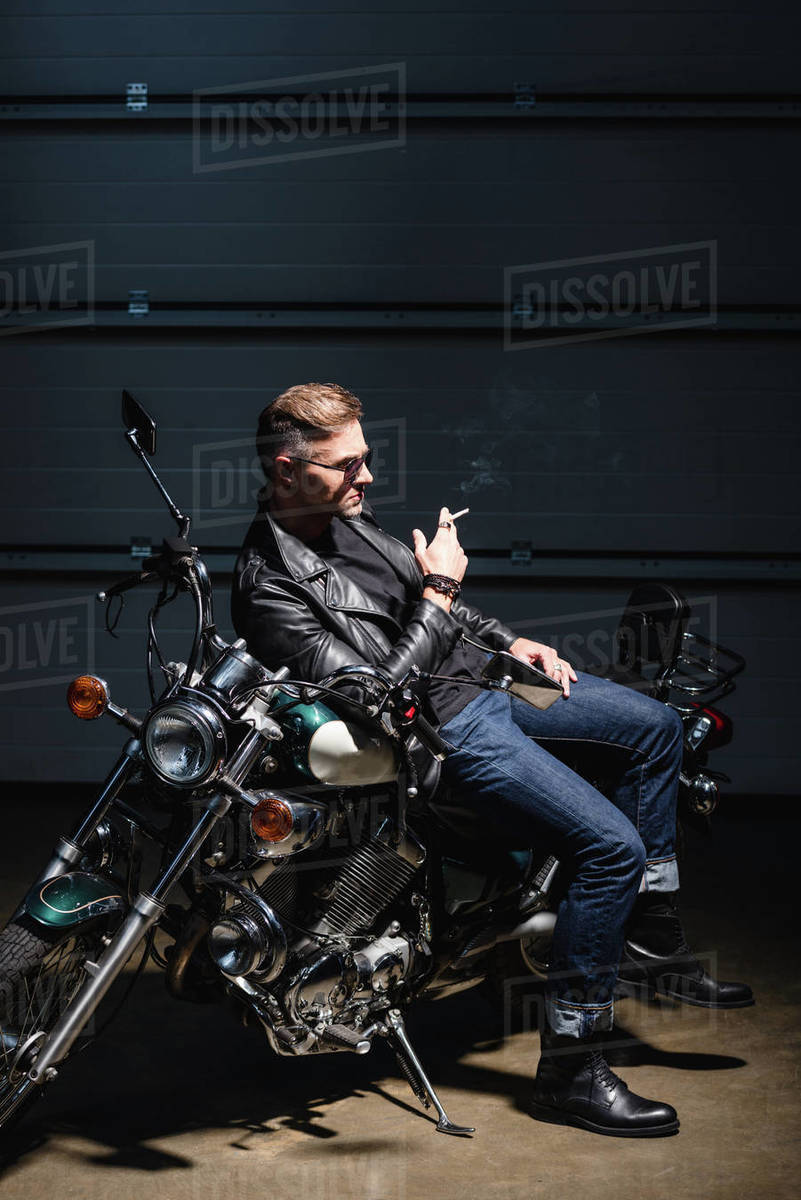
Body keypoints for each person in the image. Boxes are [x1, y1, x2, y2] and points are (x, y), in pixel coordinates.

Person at [231, 381, 753, 1138]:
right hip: (447, 732)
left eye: (365, 460)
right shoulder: (267, 586)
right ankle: (571, 1071)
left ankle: (651, 931)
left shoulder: (345, 518)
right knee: (611, 847)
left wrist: (508, 642)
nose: (366, 478)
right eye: (346, 466)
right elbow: (379, 692)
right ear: (286, 470)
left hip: (488, 685)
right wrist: (441, 588)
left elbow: (439, 608)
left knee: (653, 727)